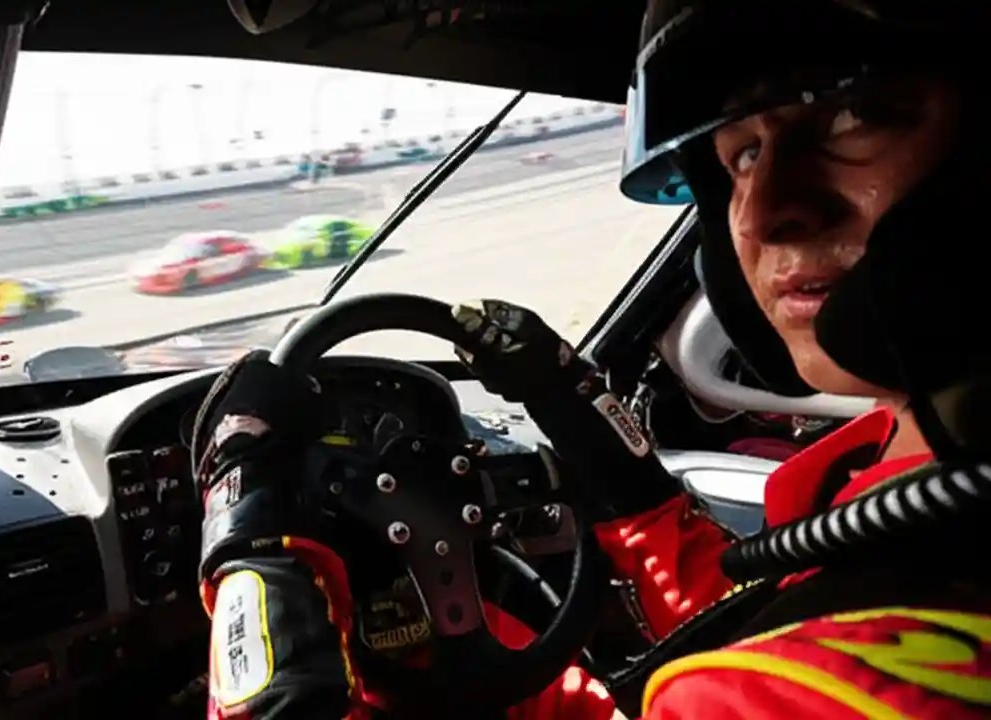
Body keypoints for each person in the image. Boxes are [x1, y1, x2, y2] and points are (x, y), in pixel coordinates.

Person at [191, 1, 991, 718]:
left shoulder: (785, 694)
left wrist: (261, 567)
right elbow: (770, 613)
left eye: (853, 116)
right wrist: (611, 460)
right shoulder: (906, 488)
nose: (769, 212)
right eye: (741, 156)